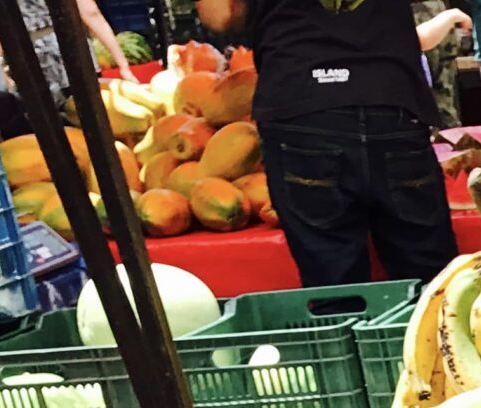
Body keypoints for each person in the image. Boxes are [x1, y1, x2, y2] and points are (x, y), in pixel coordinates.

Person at [196, 0, 466, 287]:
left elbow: (220, 15)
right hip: (389, 97)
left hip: (302, 101)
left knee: (335, 286)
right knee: (432, 287)